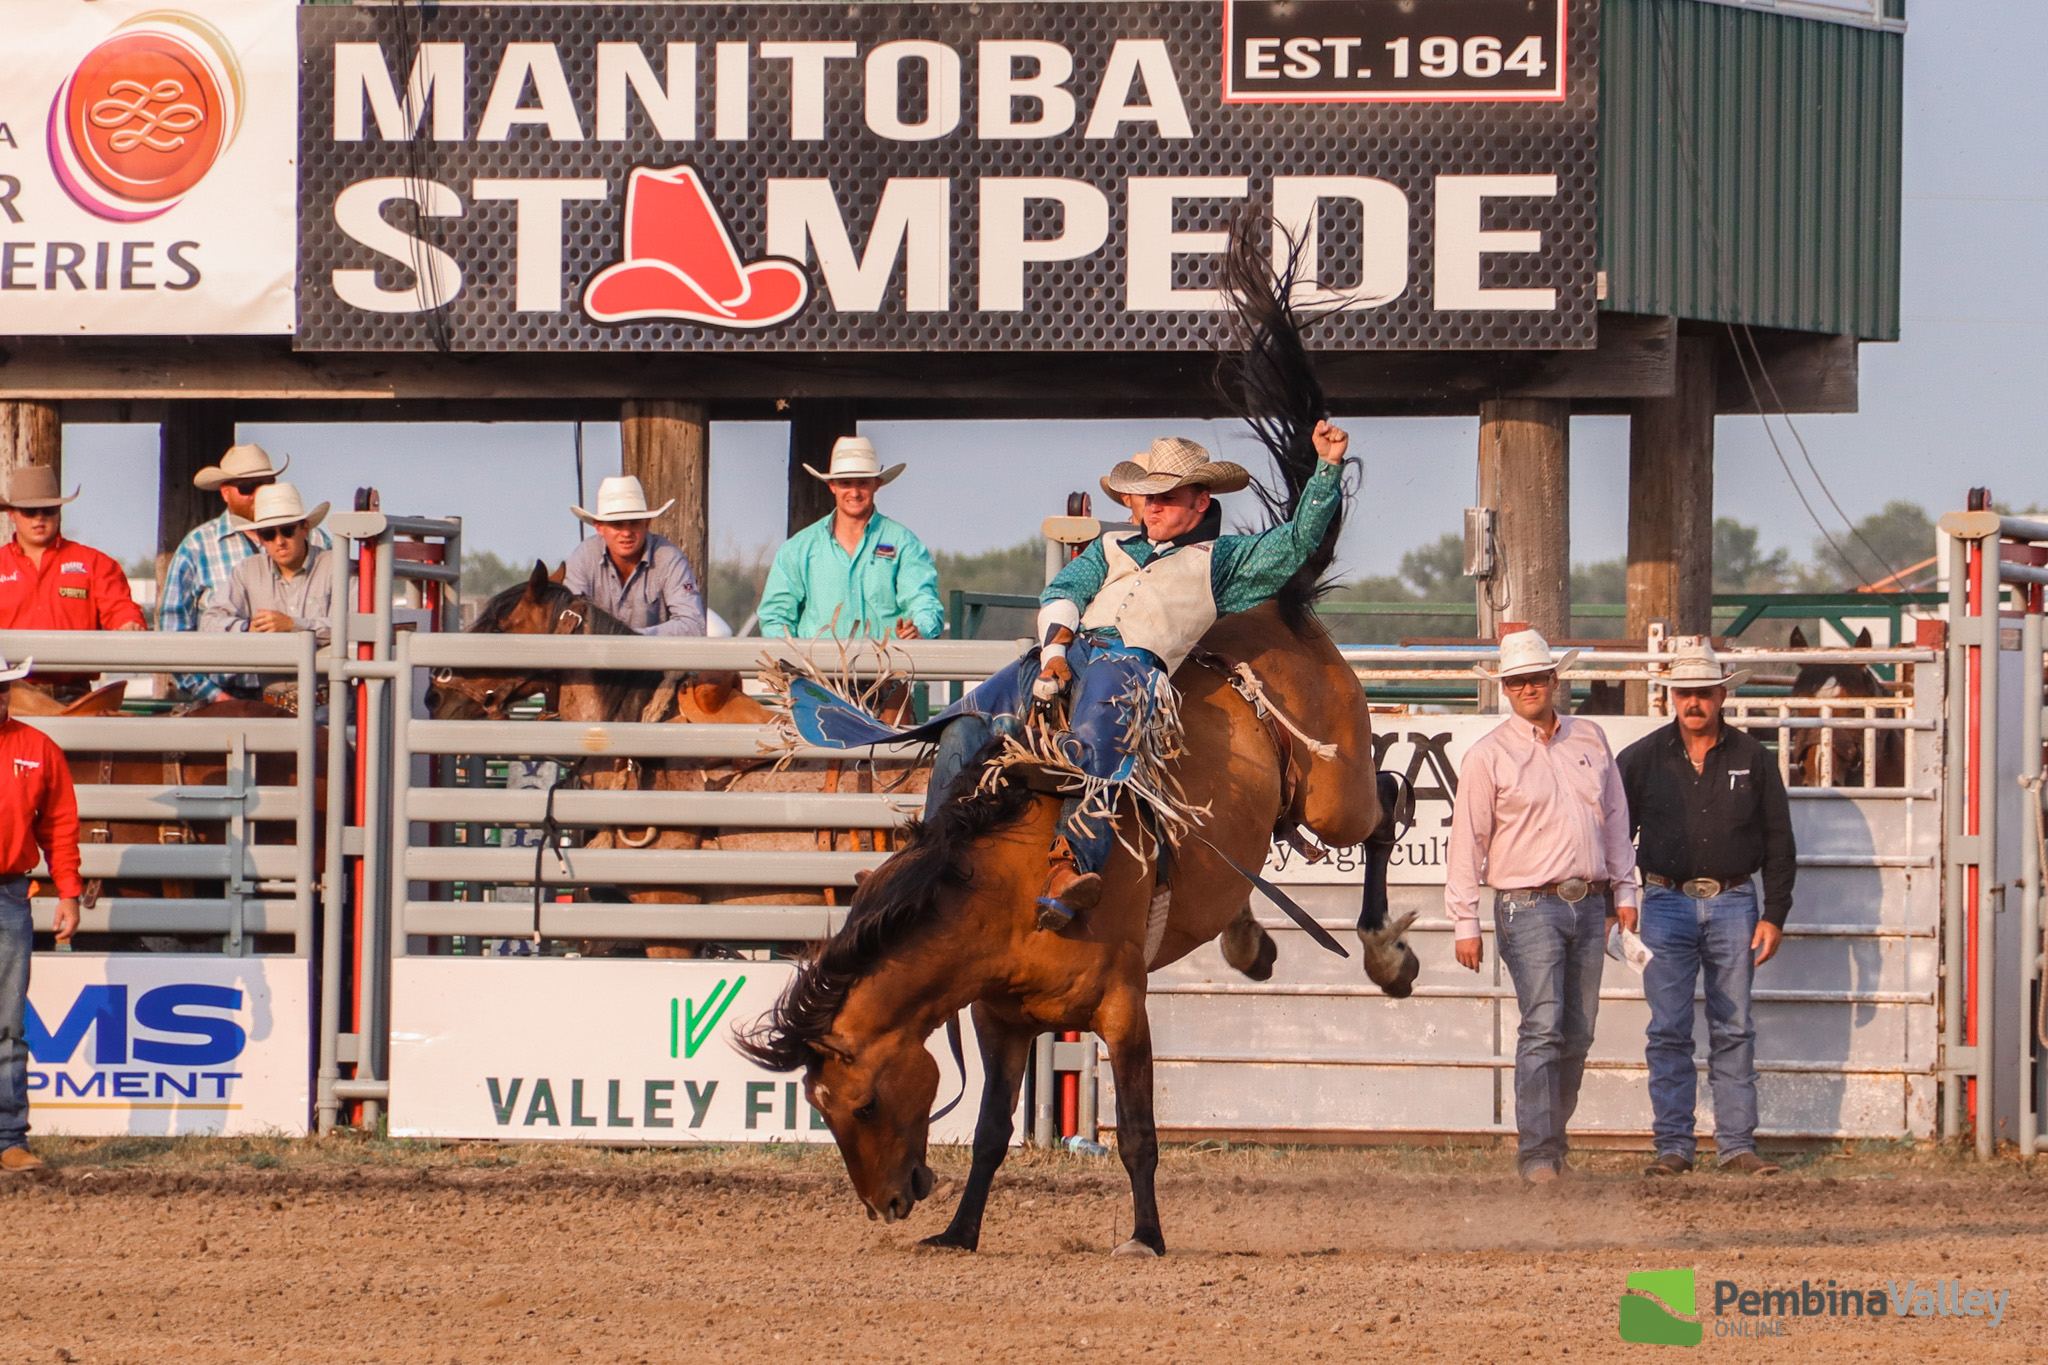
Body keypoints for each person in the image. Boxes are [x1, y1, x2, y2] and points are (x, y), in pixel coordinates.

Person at [782, 427, 1346, 930]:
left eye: (1166, 497)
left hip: (1132, 668)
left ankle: (1071, 864)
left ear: (1200, 502)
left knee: (1100, 737)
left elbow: (1294, 545)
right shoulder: (1109, 548)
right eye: (1147, 496)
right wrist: (1054, 649)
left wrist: (1326, 471)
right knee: (965, 723)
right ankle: (927, 857)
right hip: (1067, 651)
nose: (1151, 507)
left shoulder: (1221, 561)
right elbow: (1063, 592)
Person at [1446, 629, 1641, 1187]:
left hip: (1589, 900)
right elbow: (1469, 841)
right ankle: (1539, 1155)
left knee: (1577, 1032)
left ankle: (1549, 1145)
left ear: (1554, 681)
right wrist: (1466, 920)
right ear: (1505, 689)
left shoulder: (1591, 739)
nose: (1528, 687)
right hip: (1527, 905)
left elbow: (1615, 821)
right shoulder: (1488, 756)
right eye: (1517, 680)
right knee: (1545, 1025)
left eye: (1536, 677)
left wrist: (1625, 891)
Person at [1618, 640, 1795, 1179]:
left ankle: (1737, 1146)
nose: (1694, 702)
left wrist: (1775, 914)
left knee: (1734, 1025)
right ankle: (1673, 1146)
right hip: (1665, 901)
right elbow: (1613, 835)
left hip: (1736, 901)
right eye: (1684, 693)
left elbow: (1779, 842)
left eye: (1703, 692)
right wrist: (1620, 898)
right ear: (1672, 697)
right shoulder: (1643, 758)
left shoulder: (1754, 759)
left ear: (1722, 695)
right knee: (1668, 1028)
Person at [160, 444, 331, 702]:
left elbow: (350, 621)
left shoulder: (322, 545)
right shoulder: (197, 546)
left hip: (308, 692)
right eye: (248, 487)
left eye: (266, 483)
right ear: (225, 492)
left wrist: (293, 625)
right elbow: (174, 631)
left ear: (303, 528)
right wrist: (214, 695)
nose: (258, 493)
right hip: (226, 695)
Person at [0, 654, 82, 1173]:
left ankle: (9, 1138)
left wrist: (68, 891)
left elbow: (59, 823)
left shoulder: (38, 749)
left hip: (8, 892)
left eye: (3, 688)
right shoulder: (33, 748)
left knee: (8, 1024)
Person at [757, 435, 944, 642]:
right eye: (846, 483)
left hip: (891, 671)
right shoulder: (798, 548)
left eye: (863, 483)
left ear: (877, 484)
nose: (854, 492)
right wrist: (793, 661)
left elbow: (923, 602)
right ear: (832, 486)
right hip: (816, 672)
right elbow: (775, 616)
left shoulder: (904, 544)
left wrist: (919, 628)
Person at [0, 465, 145, 703]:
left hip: (73, 697)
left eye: (47, 510)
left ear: (59, 511)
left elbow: (120, 608)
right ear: (12, 514)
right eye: (29, 511)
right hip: (10, 697)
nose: (39, 518)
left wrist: (129, 623)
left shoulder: (95, 563)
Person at [200, 484, 336, 685]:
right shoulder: (247, 570)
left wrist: (293, 625)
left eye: (287, 531)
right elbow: (209, 622)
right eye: (269, 534)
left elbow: (355, 626)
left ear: (305, 528)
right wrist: (248, 628)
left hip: (329, 706)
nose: (279, 541)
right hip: (272, 707)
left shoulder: (337, 566)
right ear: (261, 539)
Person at [564, 476, 706, 636]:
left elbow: (694, 625)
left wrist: (628, 638)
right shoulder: (584, 557)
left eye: (634, 522)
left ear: (647, 524)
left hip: (654, 660)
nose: (626, 533)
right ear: (599, 528)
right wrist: (630, 638)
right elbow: (569, 620)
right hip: (598, 659)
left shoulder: (669, 558)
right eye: (617, 524)